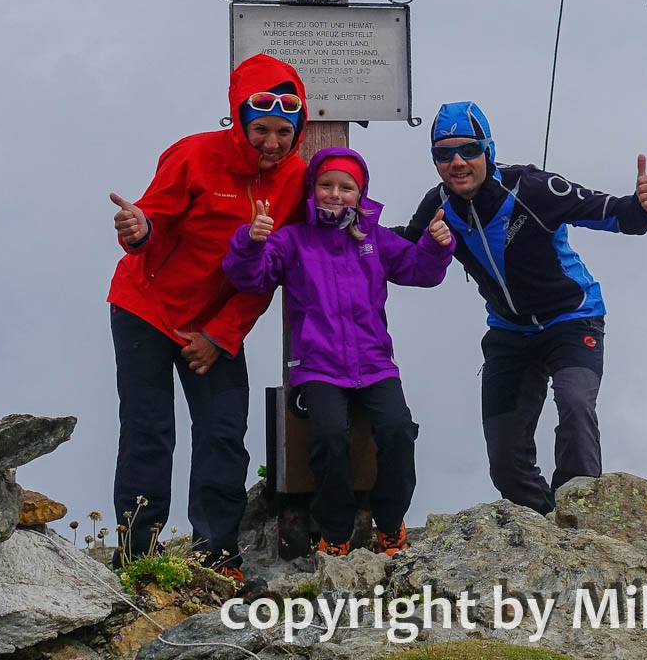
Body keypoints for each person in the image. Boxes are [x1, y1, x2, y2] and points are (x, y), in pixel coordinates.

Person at [401, 101, 647, 515]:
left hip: (572, 317)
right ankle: (546, 526)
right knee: (505, 462)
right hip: (510, 332)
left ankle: (581, 517)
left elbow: (613, 214)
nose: (457, 162)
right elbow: (403, 250)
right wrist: (349, 230)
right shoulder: (438, 205)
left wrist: (646, 207)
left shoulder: (532, 188)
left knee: (575, 405)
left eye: (469, 149)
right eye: (443, 153)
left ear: (488, 149)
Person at [104, 53, 309, 574]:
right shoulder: (193, 154)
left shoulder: (297, 180)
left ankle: (217, 556)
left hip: (216, 323)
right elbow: (153, 217)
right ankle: (138, 557)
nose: (272, 142)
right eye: (261, 128)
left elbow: (271, 271)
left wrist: (219, 336)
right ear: (240, 121)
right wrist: (139, 229)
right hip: (146, 307)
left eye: (284, 131)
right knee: (148, 430)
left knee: (222, 432)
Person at [223, 148, 456, 556]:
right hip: (318, 366)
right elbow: (251, 277)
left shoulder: (375, 238)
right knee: (329, 438)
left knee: (399, 431)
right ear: (312, 190)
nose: (335, 194)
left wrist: (436, 247)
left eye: (346, 187)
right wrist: (250, 241)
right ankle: (336, 530)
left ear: (360, 193)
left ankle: (389, 522)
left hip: (375, 362)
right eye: (326, 185)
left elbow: (419, 271)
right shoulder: (293, 238)